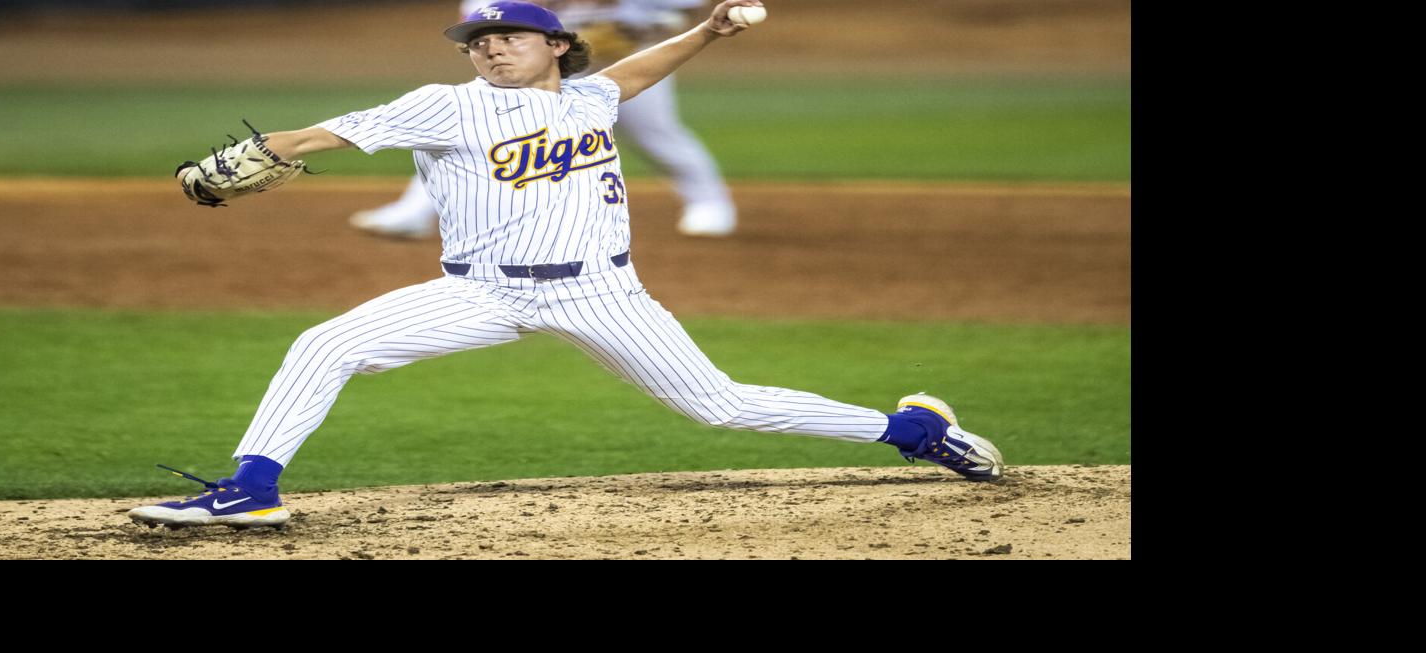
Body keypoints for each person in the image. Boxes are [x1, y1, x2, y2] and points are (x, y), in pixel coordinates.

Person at [131, 0, 1002, 530]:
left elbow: (635, 73)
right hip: (478, 294)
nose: (490, 48)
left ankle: (918, 432)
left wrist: (706, 32)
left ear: (556, 46)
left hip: (602, 295)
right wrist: (263, 151)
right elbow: (327, 133)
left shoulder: (590, 96)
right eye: (478, 40)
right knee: (325, 345)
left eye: (509, 37)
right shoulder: (444, 105)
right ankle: (252, 489)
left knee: (721, 405)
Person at [349, 0, 738, 240]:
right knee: (483, 133)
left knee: (654, 133)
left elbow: (679, 11)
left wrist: (633, 30)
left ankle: (708, 204)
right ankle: (415, 211)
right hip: (531, 66)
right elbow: (475, 22)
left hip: (623, 61)